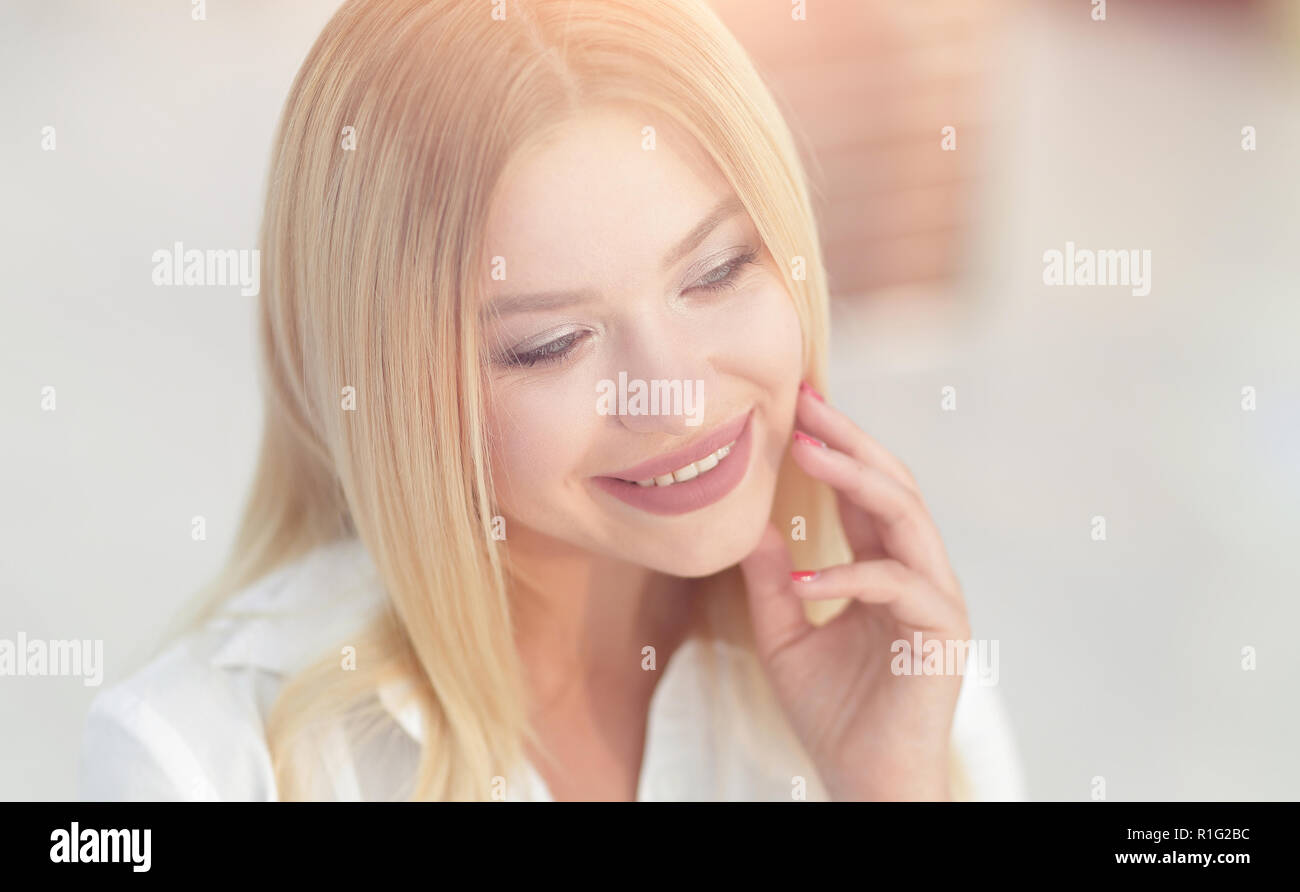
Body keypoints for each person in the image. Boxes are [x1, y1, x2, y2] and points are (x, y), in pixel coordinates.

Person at [79, 0, 1025, 802]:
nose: (677, 394)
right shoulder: (200, 759)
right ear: (401, 397)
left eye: (720, 269)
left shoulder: (899, 661)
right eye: (550, 345)